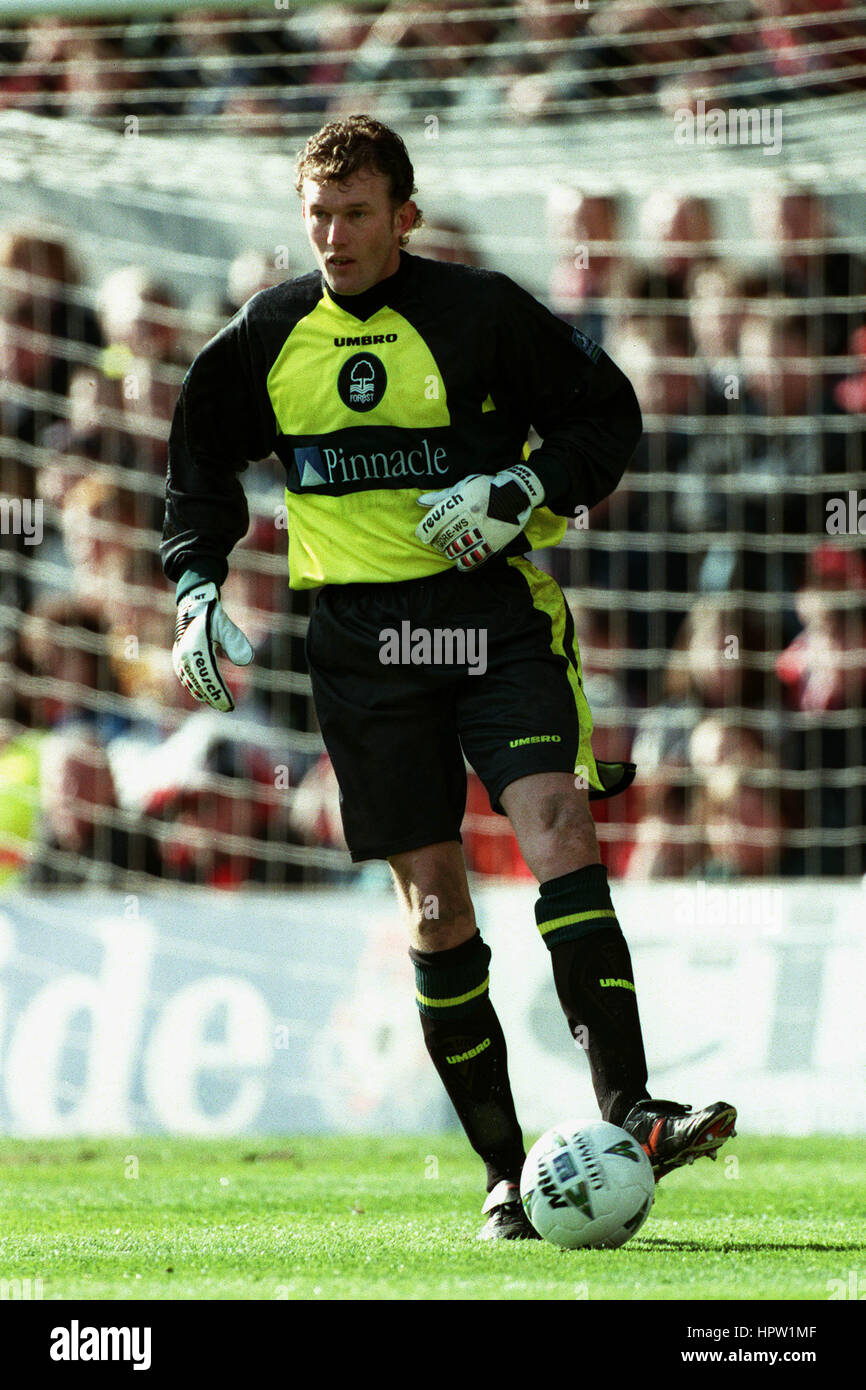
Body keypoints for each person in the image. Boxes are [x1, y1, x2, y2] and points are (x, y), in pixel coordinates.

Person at [160, 114, 736, 1239]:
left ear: (404, 217)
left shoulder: (483, 312)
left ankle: (633, 1110)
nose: (334, 235)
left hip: (490, 621)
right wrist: (194, 587)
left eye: (356, 213)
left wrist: (523, 488)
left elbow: (606, 415)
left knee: (557, 820)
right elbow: (197, 469)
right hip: (362, 649)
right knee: (433, 901)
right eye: (318, 215)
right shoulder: (266, 334)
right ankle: (504, 1174)